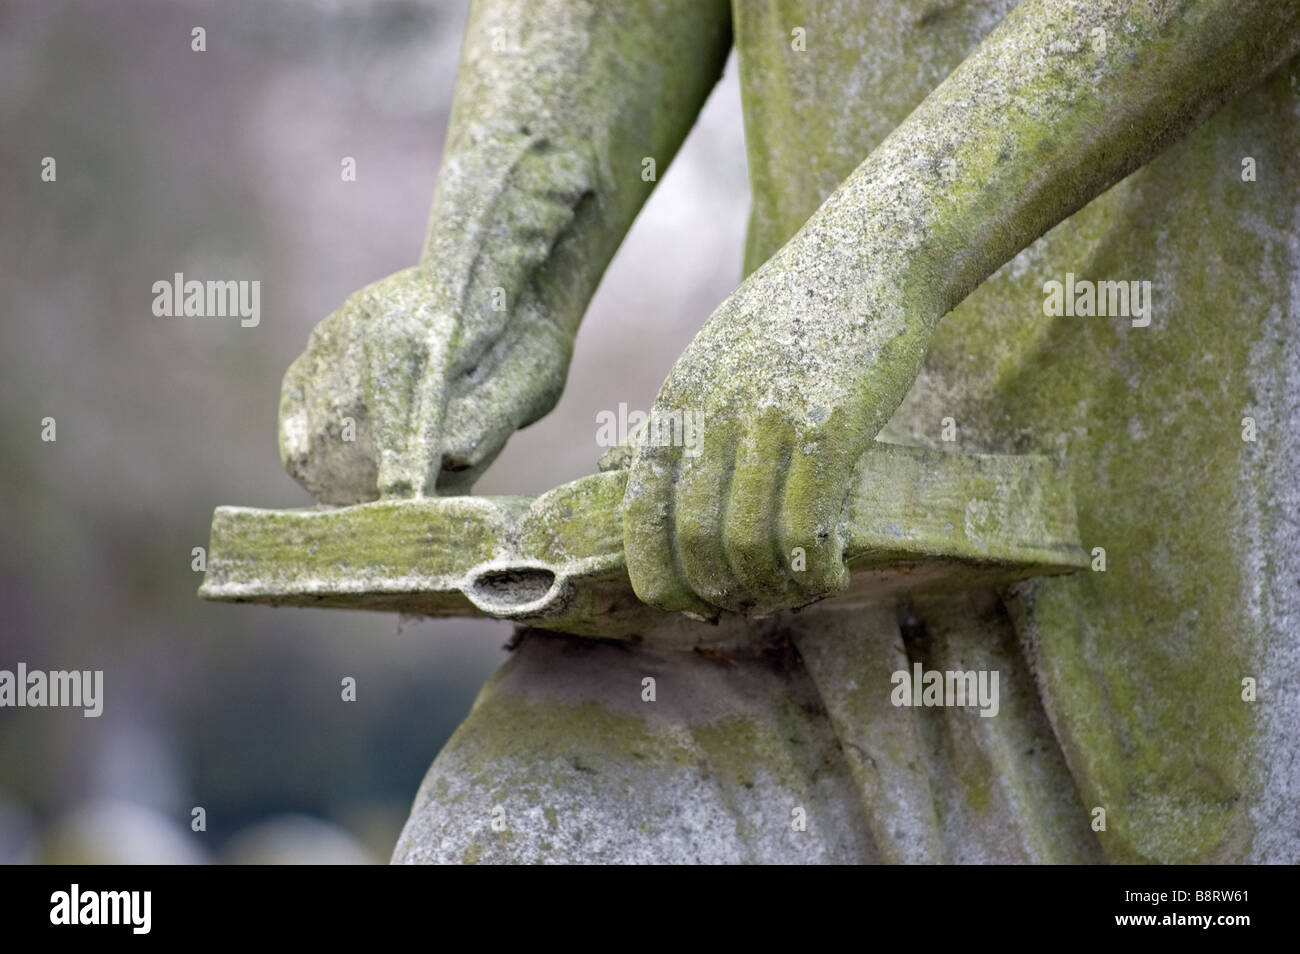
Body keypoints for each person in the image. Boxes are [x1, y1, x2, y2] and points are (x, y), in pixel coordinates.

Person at [279, 0, 1300, 862]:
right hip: (767, 561)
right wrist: (484, 270)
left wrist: (883, 255)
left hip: (1183, 525)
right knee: (514, 831)